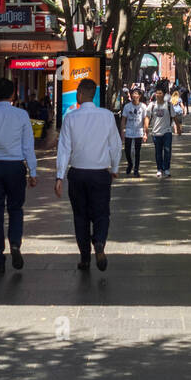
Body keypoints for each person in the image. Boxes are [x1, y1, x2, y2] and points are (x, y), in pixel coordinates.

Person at [55, 77, 122, 271]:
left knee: (80, 216)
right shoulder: (107, 116)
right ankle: (99, 241)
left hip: (78, 173)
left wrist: (59, 176)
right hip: (100, 173)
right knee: (101, 213)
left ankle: (85, 257)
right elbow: (115, 146)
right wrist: (115, 168)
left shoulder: (70, 117)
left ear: (80, 94)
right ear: (94, 95)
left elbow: (64, 149)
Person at [0, 77, 39, 275]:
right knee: (16, 209)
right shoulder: (21, 115)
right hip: (15, 167)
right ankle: (15, 243)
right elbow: (28, 146)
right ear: (13, 94)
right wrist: (33, 172)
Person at [148, 88, 179, 177]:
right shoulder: (152, 105)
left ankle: (166, 169)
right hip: (156, 132)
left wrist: (178, 128)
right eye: (157, 93)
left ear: (164, 94)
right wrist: (145, 129)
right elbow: (147, 117)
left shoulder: (169, 105)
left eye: (160, 93)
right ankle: (159, 169)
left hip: (167, 131)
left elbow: (174, 116)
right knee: (158, 152)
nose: (158, 95)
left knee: (167, 151)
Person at [120, 88, 147, 177]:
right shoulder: (127, 106)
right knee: (127, 150)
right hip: (129, 131)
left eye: (136, 94)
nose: (134, 95)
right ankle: (130, 164)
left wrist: (145, 132)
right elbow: (123, 119)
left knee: (137, 151)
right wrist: (122, 132)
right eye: (133, 94)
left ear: (139, 96)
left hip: (139, 131)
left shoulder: (143, 106)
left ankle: (136, 169)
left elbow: (145, 119)